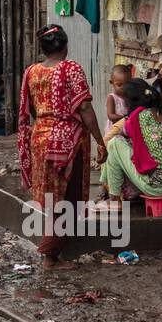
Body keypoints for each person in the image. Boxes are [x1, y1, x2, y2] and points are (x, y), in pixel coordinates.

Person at [18, 23, 107, 271]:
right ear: (65, 46)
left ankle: (53, 250)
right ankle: (50, 255)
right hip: (67, 141)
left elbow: (30, 109)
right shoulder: (72, 69)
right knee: (68, 197)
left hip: (40, 138)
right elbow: (85, 108)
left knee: (51, 196)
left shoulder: (32, 72)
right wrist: (100, 140)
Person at [100, 78, 162, 204]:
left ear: (130, 102)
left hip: (158, 188)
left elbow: (118, 136)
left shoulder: (137, 116)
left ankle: (114, 200)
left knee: (114, 143)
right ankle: (106, 188)